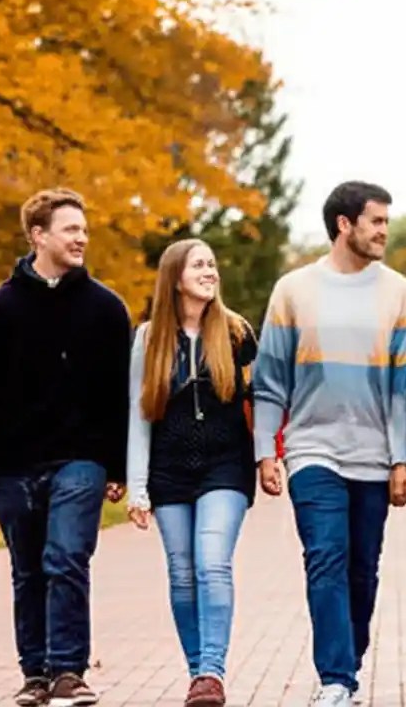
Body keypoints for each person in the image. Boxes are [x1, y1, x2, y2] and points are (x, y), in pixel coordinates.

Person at [0, 188, 131, 707]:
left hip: (81, 459)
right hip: (11, 463)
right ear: (38, 235)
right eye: (71, 229)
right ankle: (35, 674)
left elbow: (118, 395)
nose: (82, 238)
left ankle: (69, 671)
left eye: (84, 230)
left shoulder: (106, 308)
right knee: (28, 567)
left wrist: (118, 465)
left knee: (67, 557)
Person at [252, 181, 406, 707]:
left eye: (386, 221)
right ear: (344, 225)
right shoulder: (293, 291)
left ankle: (347, 663)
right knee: (325, 557)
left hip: (374, 456)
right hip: (311, 449)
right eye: (376, 221)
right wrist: (265, 450)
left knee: (362, 570)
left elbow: (405, 388)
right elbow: (270, 380)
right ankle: (336, 679)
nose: (384, 231)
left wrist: (402, 458)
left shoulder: (400, 293)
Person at [125, 238, 258, 707]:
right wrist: (137, 488)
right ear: (175, 279)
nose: (209, 272)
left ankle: (212, 671)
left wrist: (267, 458)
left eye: (212, 264)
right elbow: (139, 414)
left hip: (225, 468)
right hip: (170, 473)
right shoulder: (148, 339)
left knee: (212, 561)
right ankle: (199, 674)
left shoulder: (237, 333)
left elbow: (258, 401)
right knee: (182, 574)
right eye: (199, 265)